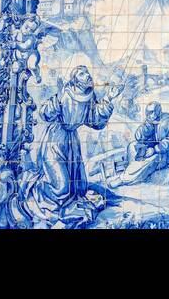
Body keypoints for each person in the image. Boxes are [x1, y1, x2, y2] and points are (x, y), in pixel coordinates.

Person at [25, 65, 121, 223]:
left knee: (80, 187)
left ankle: (66, 204)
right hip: (54, 141)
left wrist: (109, 98)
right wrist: (57, 102)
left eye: (87, 72)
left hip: (71, 143)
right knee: (62, 187)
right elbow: (45, 113)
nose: (88, 76)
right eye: (82, 74)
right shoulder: (65, 93)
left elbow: (95, 121)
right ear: (75, 81)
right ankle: (38, 189)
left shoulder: (89, 96)